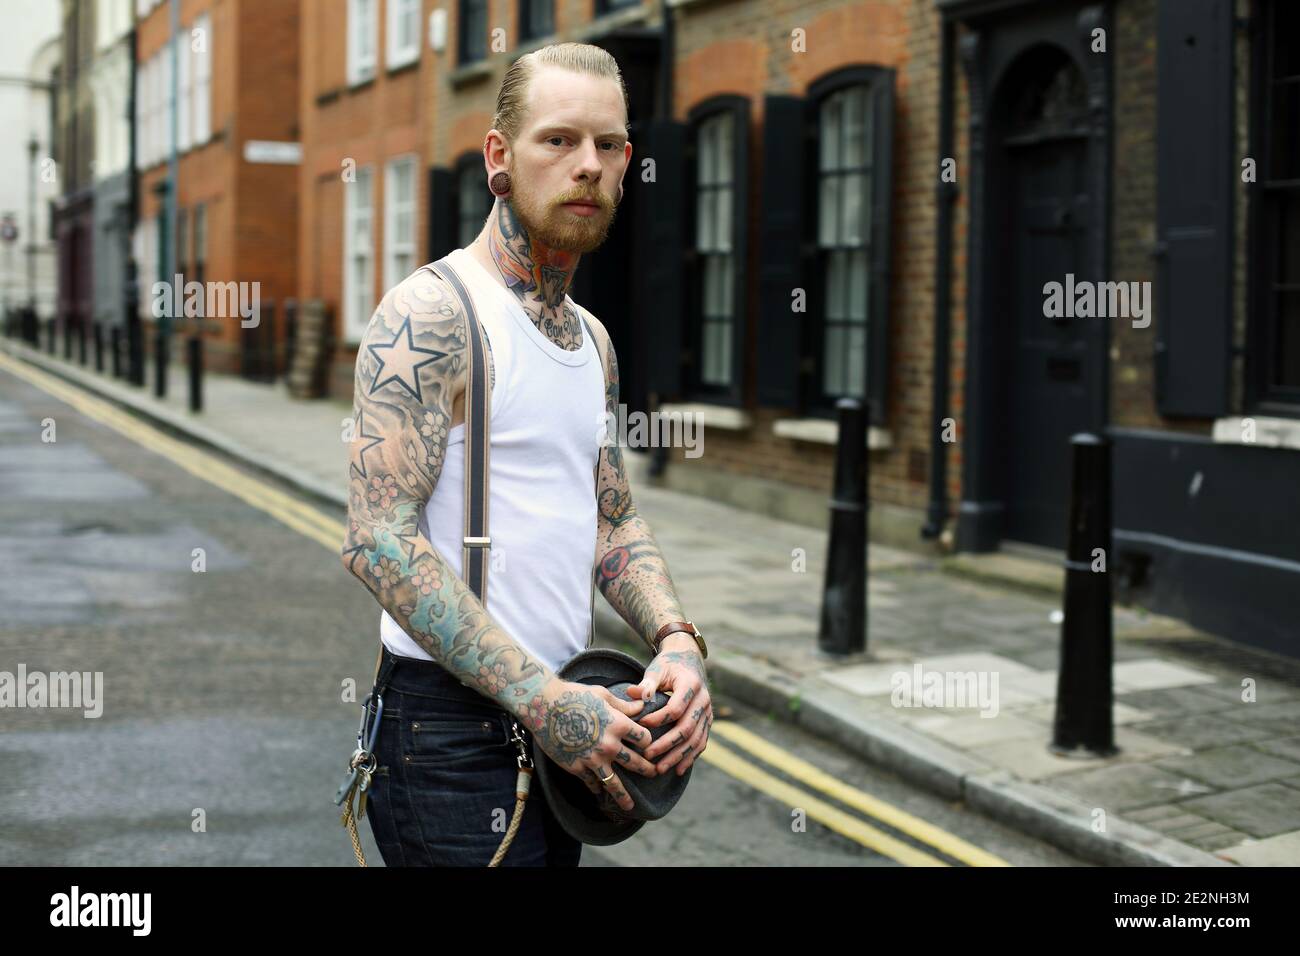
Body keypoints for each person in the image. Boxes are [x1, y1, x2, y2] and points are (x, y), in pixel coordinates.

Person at [340, 42, 712, 866]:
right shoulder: (432, 314)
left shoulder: (593, 340)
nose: (587, 165)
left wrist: (677, 640)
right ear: (499, 159)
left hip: (568, 719)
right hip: (449, 736)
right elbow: (379, 540)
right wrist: (543, 700)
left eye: (607, 145)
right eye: (559, 141)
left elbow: (612, 519)